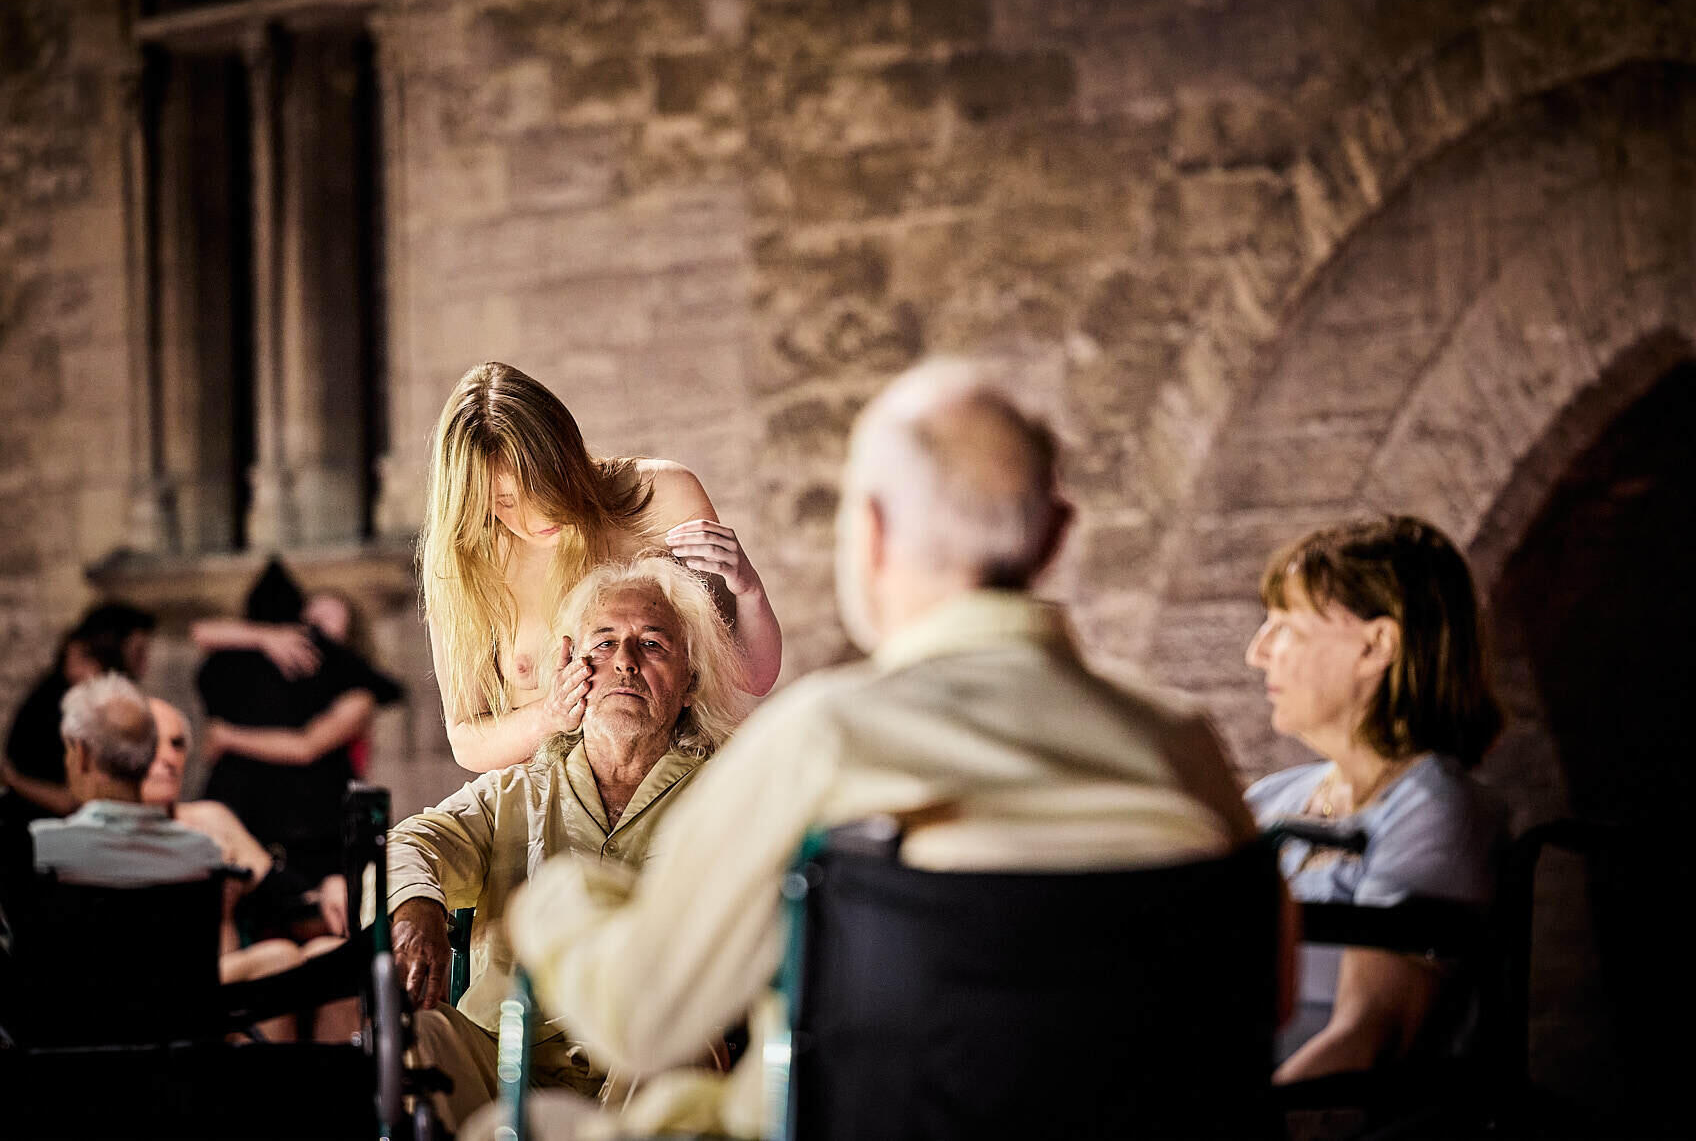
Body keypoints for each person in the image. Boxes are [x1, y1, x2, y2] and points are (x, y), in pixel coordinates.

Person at [496, 361, 1258, 1139]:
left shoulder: (823, 739)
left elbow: (644, 1015)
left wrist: (557, 899)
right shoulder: (1183, 744)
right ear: (1056, 536)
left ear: (872, 532)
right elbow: (1268, 991)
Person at [388, 553, 748, 1132]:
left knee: (685, 1051)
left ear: (689, 685)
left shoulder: (726, 798)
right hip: (501, 1060)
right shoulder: (516, 793)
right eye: (603, 645)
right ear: (572, 670)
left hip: (642, 1061)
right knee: (414, 1035)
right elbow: (411, 842)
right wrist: (416, 906)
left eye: (652, 645)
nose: (624, 664)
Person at [0, 676, 223, 1121]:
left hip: (50, 1082)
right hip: (169, 1082)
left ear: (80, 753)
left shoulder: (33, 850)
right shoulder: (201, 855)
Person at [1242, 515, 1507, 1082]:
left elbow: (1372, 1040)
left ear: (1376, 645)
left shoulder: (1436, 810)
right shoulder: (1271, 799)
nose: (1258, 652)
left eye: (1287, 625)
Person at [419, 361, 781, 773]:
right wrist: (549, 714)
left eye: (545, 484)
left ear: (568, 453)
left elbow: (752, 676)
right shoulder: (467, 559)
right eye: (505, 501)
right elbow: (467, 742)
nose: (537, 516)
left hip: (674, 787)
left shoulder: (662, 496)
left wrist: (749, 589)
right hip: (553, 810)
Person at [140, 703, 354, 1042]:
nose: (167, 757)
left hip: (234, 976)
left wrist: (329, 889)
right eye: (153, 744)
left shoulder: (209, 819)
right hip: (161, 987)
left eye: (177, 744)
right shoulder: (116, 833)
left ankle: (341, 1091)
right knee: (276, 960)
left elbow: (285, 899)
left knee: (332, 956)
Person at [198, 559, 403, 897]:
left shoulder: (359, 694)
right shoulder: (289, 678)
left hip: (332, 819)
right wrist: (267, 637)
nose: (312, 628)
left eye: (327, 621)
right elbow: (203, 633)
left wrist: (227, 736)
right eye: (309, 618)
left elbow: (305, 747)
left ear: (351, 632)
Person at [0, 601, 156, 821]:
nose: (145, 665)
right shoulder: (59, 708)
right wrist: (15, 781)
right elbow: (71, 800)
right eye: (139, 652)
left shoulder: (107, 705)